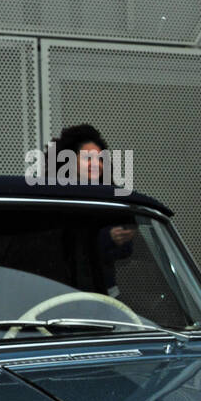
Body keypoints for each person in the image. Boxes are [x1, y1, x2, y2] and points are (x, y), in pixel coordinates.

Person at [53, 124, 135, 297]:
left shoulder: (111, 198)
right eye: (87, 158)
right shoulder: (54, 199)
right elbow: (58, 248)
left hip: (106, 294)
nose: (95, 164)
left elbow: (127, 251)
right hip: (61, 295)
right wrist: (106, 238)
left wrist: (122, 238)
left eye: (100, 159)